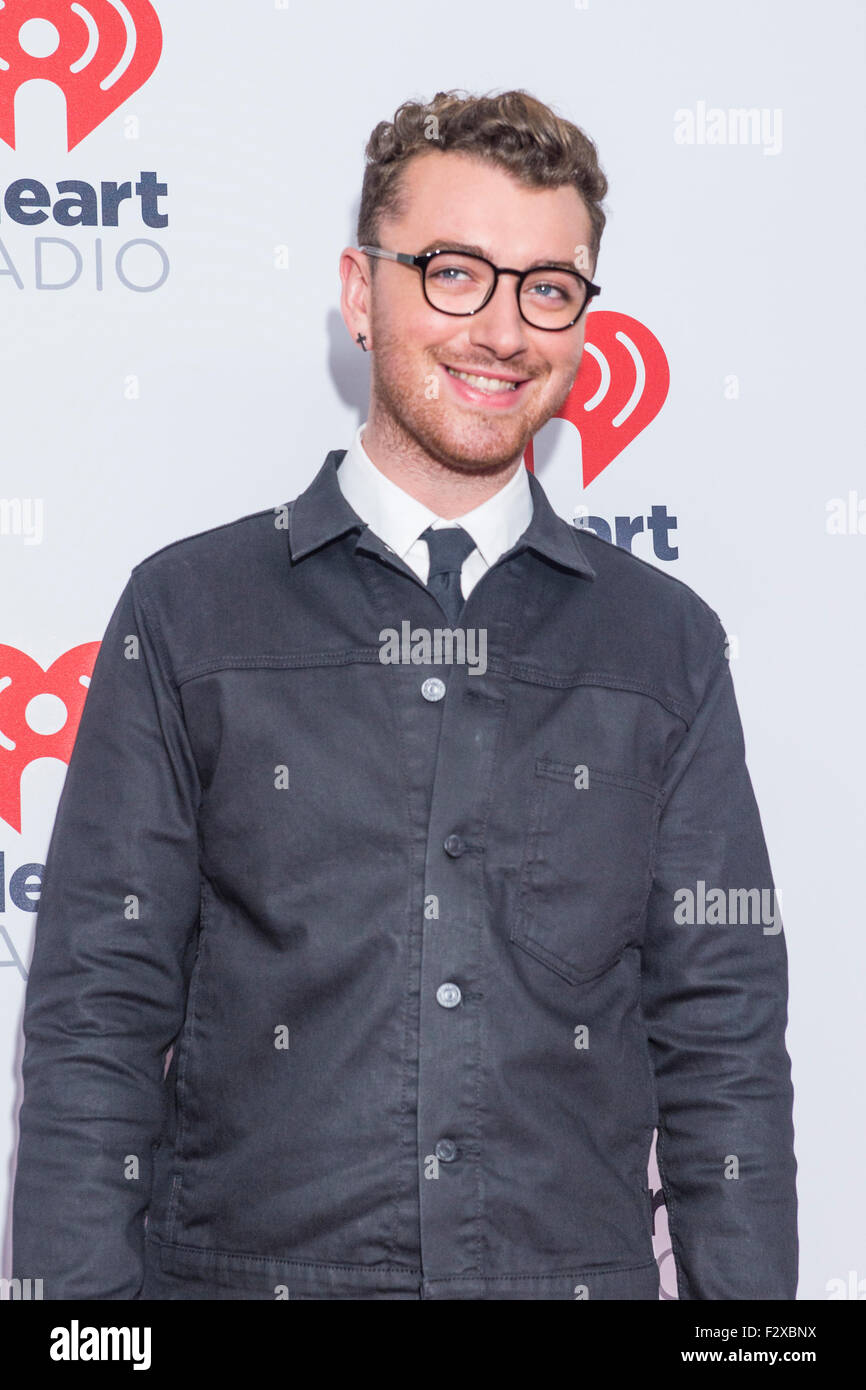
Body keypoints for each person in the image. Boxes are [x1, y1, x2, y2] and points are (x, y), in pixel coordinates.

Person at [12, 89, 798, 1301]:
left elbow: (723, 1042)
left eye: (546, 285)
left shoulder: (665, 648)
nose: (502, 328)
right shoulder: (186, 615)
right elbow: (93, 1025)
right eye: (452, 272)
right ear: (357, 290)